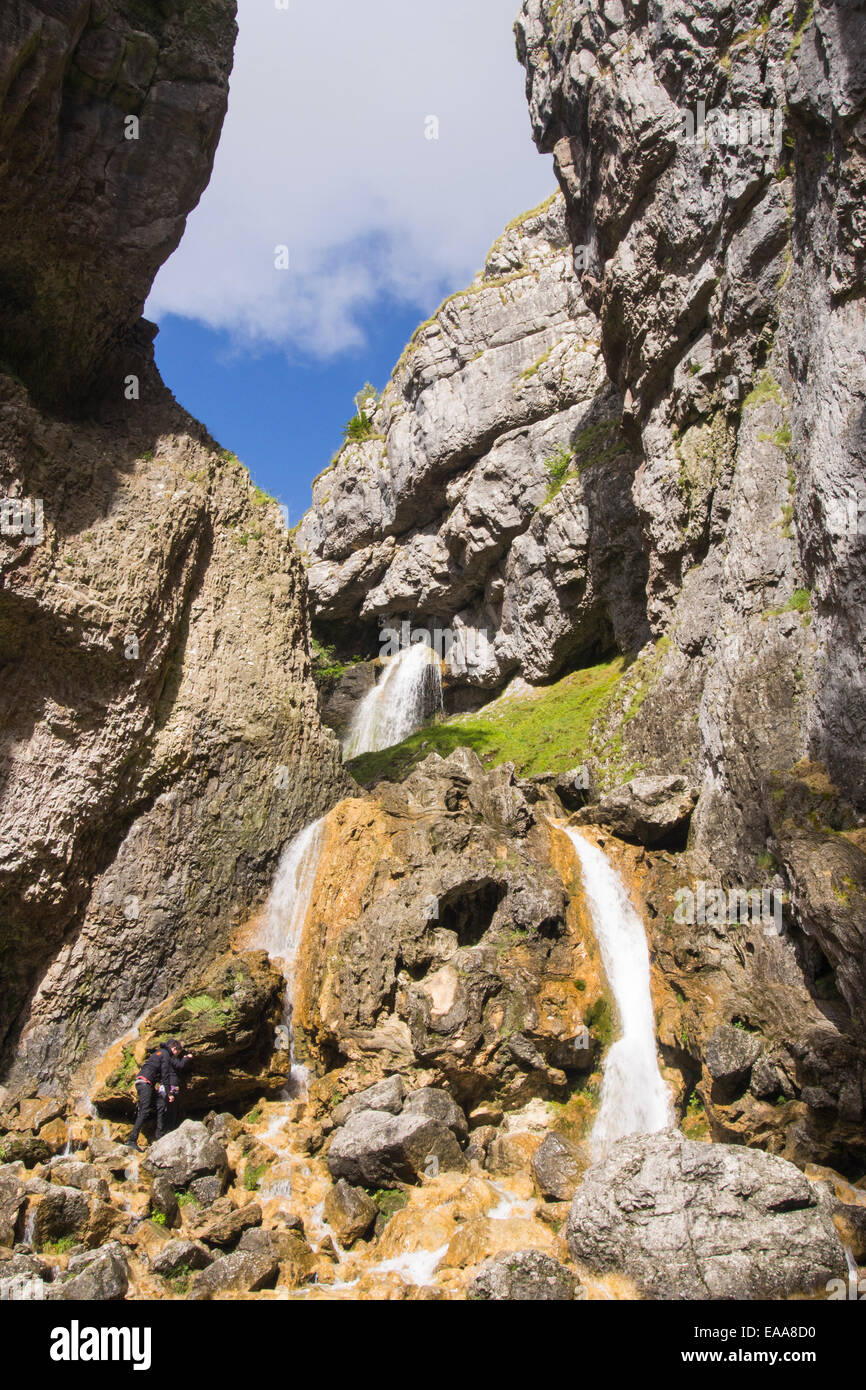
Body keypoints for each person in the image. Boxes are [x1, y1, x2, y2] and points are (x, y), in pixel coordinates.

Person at [126, 1039, 193, 1149]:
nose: (177, 1055)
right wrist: (169, 1093)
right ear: (174, 1049)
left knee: (161, 1104)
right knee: (144, 1111)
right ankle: (132, 1140)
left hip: (144, 1082)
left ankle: (159, 1136)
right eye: (178, 1052)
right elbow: (165, 1076)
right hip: (145, 1083)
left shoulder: (159, 1052)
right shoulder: (166, 1055)